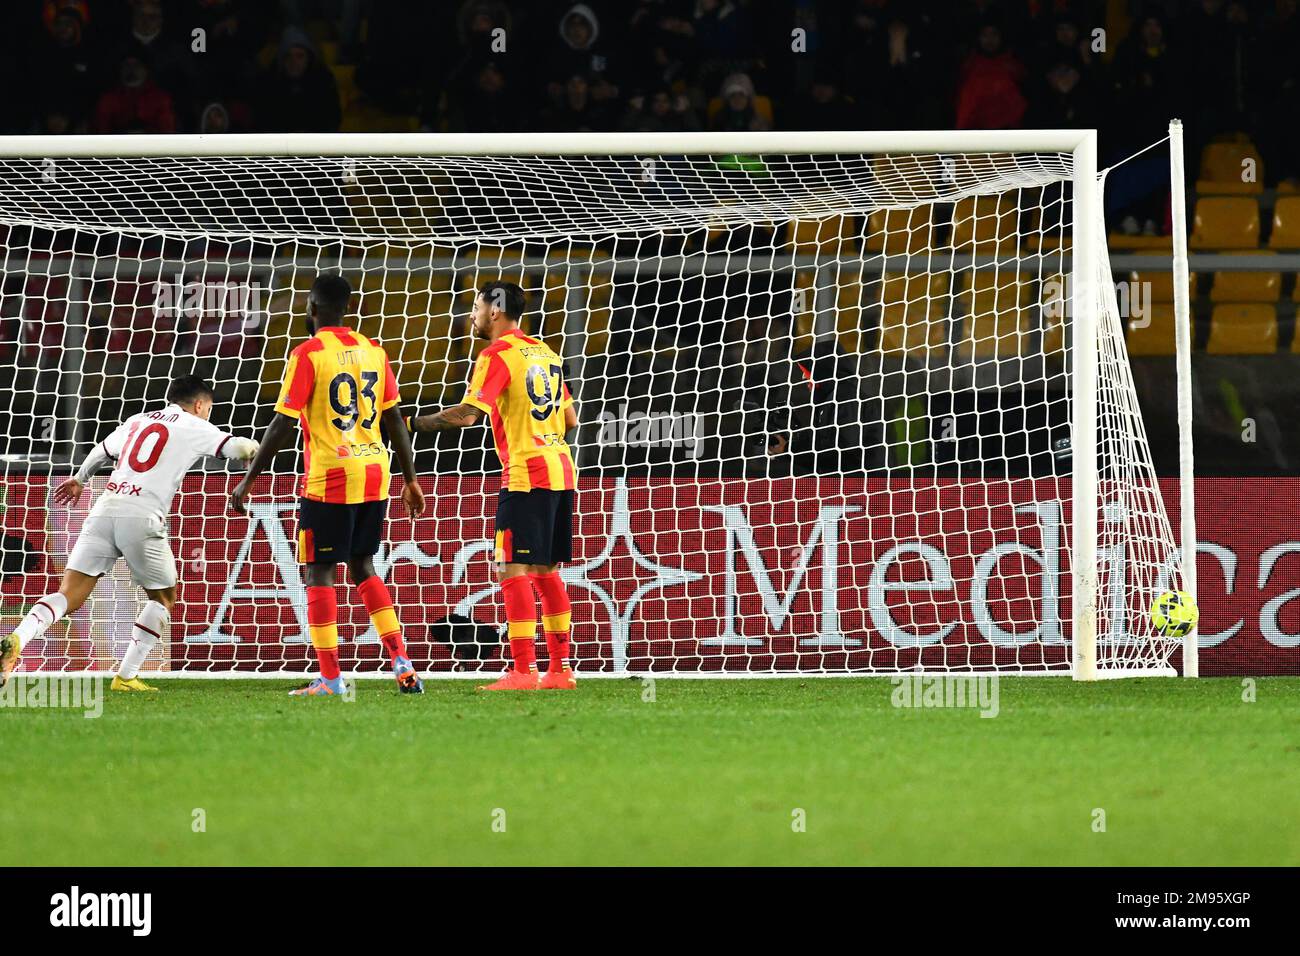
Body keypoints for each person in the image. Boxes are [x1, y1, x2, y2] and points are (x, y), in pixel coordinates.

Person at [228, 274, 426, 697]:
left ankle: (331, 678)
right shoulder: (375, 350)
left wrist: (248, 480)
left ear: (311, 308)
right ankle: (401, 661)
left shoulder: (308, 353)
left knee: (319, 570)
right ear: (347, 309)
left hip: (331, 475)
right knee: (363, 565)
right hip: (377, 473)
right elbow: (393, 418)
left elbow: (283, 422)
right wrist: (410, 479)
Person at [2, 375, 259, 691]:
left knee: (69, 595)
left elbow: (100, 451)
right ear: (201, 404)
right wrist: (259, 447)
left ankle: (17, 638)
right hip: (142, 515)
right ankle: (126, 676)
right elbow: (239, 447)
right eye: (209, 410)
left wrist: (81, 479)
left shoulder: (139, 420)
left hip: (104, 509)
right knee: (163, 598)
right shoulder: (196, 425)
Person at [408, 281, 579, 691]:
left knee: (511, 569)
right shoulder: (546, 353)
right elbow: (571, 421)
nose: (472, 314)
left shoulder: (496, 354)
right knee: (546, 571)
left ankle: (522, 671)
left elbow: (468, 415)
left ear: (495, 311)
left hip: (525, 476)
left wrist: (408, 423)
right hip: (560, 469)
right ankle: (559, 672)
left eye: (477, 306)